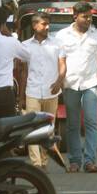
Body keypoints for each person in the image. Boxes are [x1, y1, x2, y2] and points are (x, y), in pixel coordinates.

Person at [54, 2, 97, 174]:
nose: (88, 20)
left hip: (91, 82)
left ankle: (90, 161)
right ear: (75, 16)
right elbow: (60, 61)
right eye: (85, 17)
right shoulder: (62, 36)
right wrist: (59, 81)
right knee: (73, 124)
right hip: (70, 84)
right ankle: (75, 161)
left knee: (91, 122)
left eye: (90, 17)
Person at [15, 13, 60, 169]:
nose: (47, 27)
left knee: (48, 129)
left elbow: (63, 65)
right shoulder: (25, 46)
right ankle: (36, 164)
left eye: (48, 24)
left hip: (51, 92)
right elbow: (23, 72)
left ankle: (45, 160)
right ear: (35, 26)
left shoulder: (56, 44)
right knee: (32, 129)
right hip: (32, 92)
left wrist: (59, 82)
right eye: (43, 24)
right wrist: (20, 97)